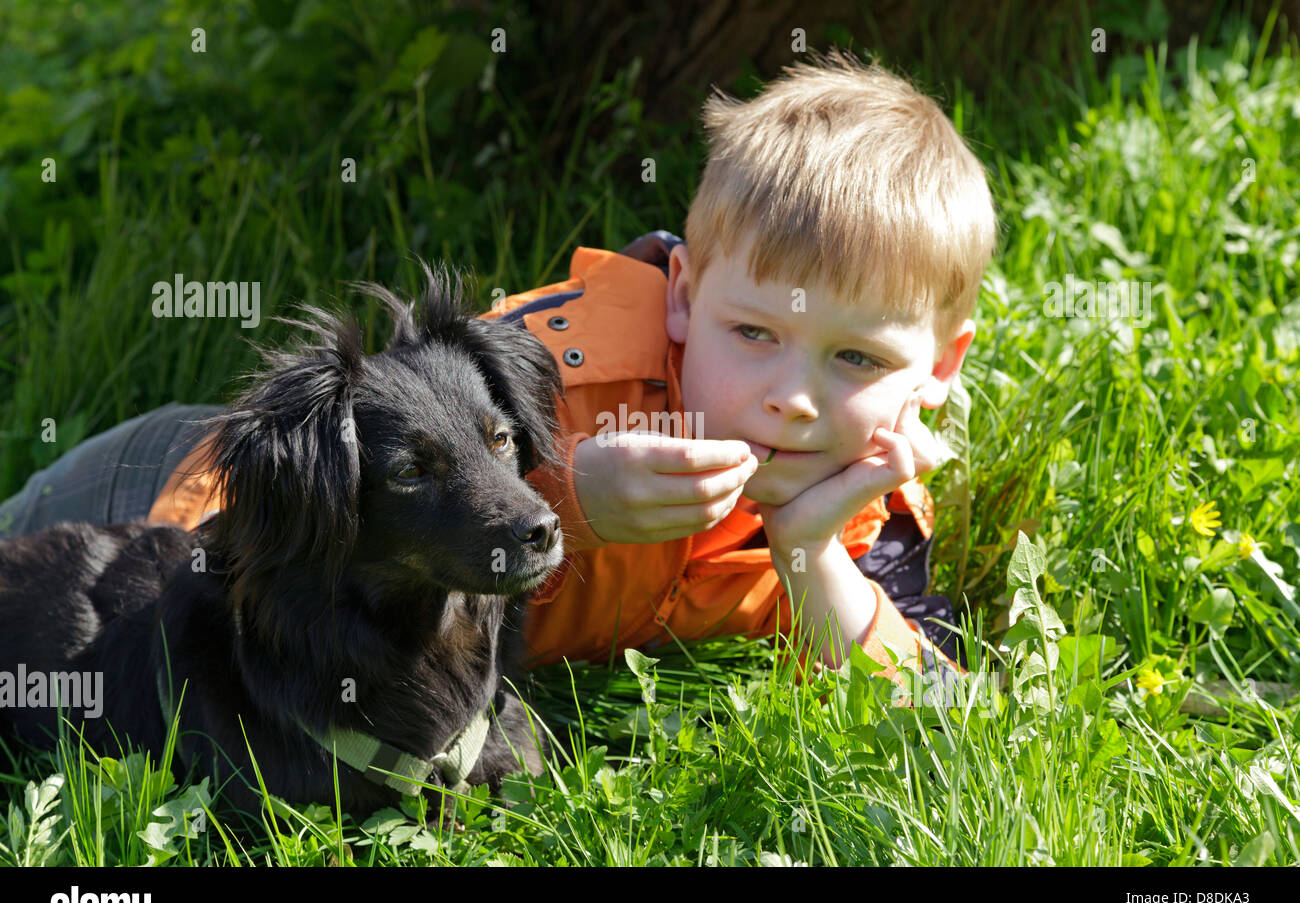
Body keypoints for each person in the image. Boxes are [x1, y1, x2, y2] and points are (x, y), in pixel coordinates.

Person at [0, 49, 995, 705]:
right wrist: (572, 491)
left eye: (854, 357)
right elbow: (340, 440)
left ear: (939, 368)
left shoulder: (866, 501)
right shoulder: (571, 367)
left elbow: (930, 707)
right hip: (183, 489)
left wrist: (810, 552)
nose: (794, 394)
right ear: (683, 294)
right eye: (754, 332)